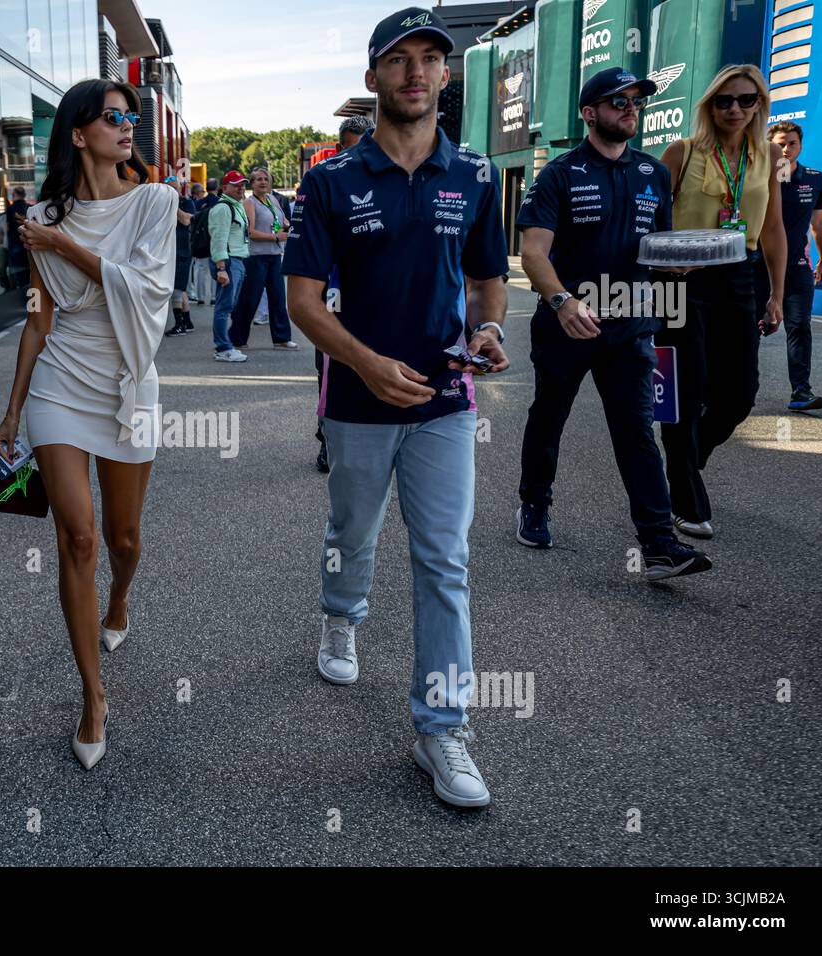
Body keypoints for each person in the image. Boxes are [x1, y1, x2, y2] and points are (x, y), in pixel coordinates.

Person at [283, 7, 509, 808]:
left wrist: (486, 327)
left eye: (430, 60)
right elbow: (303, 300)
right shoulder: (331, 180)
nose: (416, 72)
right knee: (352, 530)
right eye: (399, 59)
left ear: (447, 76)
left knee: (445, 561)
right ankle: (340, 613)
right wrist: (367, 364)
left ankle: (442, 729)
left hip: (447, 398)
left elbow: (490, 279)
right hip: (355, 397)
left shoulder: (475, 175)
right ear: (373, 77)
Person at [0, 79, 176, 771]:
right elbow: (39, 316)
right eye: (112, 117)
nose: (127, 126)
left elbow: (148, 289)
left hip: (127, 383)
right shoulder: (41, 215)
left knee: (124, 540)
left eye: (131, 117)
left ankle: (120, 598)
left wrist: (61, 245)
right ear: (77, 133)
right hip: (61, 385)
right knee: (79, 537)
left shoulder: (155, 203)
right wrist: (12, 408)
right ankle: (92, 696)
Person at [514, 67, 712, 581]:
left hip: (631, 326)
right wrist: (562, 301)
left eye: (634, 101)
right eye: (617, 101)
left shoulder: (653, 174)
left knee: (636, 431)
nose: (630, 108)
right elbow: (532, 252)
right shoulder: (558, 174)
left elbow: (658, 249)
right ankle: (534, 504)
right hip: (567, 322)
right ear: (589, 113)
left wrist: (677, 265)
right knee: (549, 417)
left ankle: (659, 545)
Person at [658, 64, 787, 540]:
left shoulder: (767, 156)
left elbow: (772, 228)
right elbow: (649, 220)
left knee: (739, 394)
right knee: (687, 392)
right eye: (724, 100)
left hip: (739, 277)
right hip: (681, 280)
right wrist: (665, 260)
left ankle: (688, 460)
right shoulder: (682, 152)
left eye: (746, 100)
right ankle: (686, 499)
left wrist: (775, 293)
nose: (735, 108)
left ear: (759, 105)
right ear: (709, 105)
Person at [314, 116, 374, 472]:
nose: (362, 156)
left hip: (377, 301)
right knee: (330, 372)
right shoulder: (326, 186)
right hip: (332, 298)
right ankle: (327, 441)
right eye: (353, 148)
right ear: (339, 149)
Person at [757, 121, 822, 411]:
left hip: (797, 265)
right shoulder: (756, 175)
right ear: (770, 146)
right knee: (747, 327)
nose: (786, 149)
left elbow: (820, 223)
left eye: (792, 143)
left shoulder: (815, 179)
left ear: (801, 145)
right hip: (756, 263)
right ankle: (738, 388)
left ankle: (801, 391)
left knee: (799, 326)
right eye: (781, 144)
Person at [230, 166, 297, 350]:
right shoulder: (250, 203)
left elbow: (282, 222)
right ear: (252, 183)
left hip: (274, 255)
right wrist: (275, 236)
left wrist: (287, 226)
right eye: (259, 179)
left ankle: (282, 338)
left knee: (278, 297)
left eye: (266, 179)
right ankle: (237, 337)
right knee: (249, 298)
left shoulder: (273, 199)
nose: (263, 182)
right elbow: (250, 232)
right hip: (256, 257)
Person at [209, 170, 251, 362]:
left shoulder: (235, 206)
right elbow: (218, 239)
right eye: (236, 184)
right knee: (224, 307)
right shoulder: (223, 208)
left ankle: (225, 345)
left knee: (228, 306)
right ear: (224, 188)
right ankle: (223, 348)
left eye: (242, 184)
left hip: (236, 261)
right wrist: (221, 268)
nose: (241, 187)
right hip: (229, 261)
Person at [166, 176, 198, 336]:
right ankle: (187, 321)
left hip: (183, 250)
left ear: (179, 189)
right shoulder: (164, 204)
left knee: (177, 288)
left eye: (173, 188)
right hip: (170, 250)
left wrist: (173, 204)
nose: (171, 190)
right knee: (181, 288)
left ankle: (179, 324)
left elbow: (186, 220)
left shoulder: (186, 202)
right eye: (168, 188)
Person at [192, 178, 221, 304]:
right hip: (215, 239)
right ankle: (214, 297)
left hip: (201, 239)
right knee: (215, 268)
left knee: (201, 268)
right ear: (217, 188)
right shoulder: (220, 203)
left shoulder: (199, 203)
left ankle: (200, 297)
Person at [5, 186, 31, 289]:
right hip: (29, 244)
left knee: (19, 274)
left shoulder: (10, 209)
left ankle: (21, 292)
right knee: (30, 271)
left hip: (15, 244)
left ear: (14, 195)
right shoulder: (29, 207)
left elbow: (7, 227)